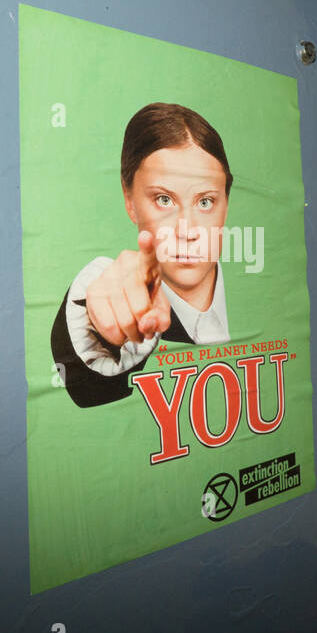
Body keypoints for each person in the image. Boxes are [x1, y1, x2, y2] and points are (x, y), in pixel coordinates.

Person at [51, 103, 233, 407]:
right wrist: (100, 323)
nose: (186, 230)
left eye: (205, 202)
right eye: (164, 199)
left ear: (226, 201)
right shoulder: (123, 290)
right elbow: (90, 384)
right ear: (129, 200)